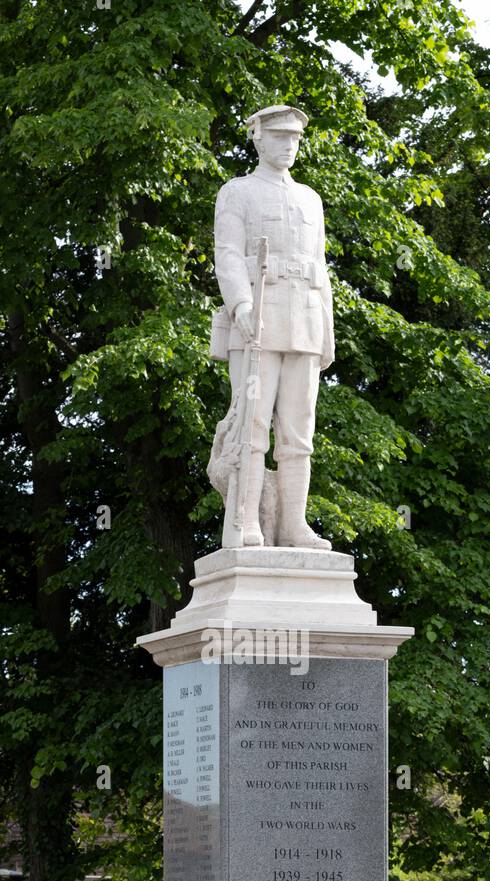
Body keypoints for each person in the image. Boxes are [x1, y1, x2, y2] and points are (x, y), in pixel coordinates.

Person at [211, 104, 335, 548]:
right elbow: (226, 253)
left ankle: (295, 526)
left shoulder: (310, 199)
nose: (289, 146)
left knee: (299, 432)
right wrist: (241, 304)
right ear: (258, 138)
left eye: (295, 139)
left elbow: (319, 268)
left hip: (303, 320)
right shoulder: (237, 192)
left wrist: (327, 331)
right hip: (257, 318)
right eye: (280, 137)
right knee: (252, 425)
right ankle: (246, 520)